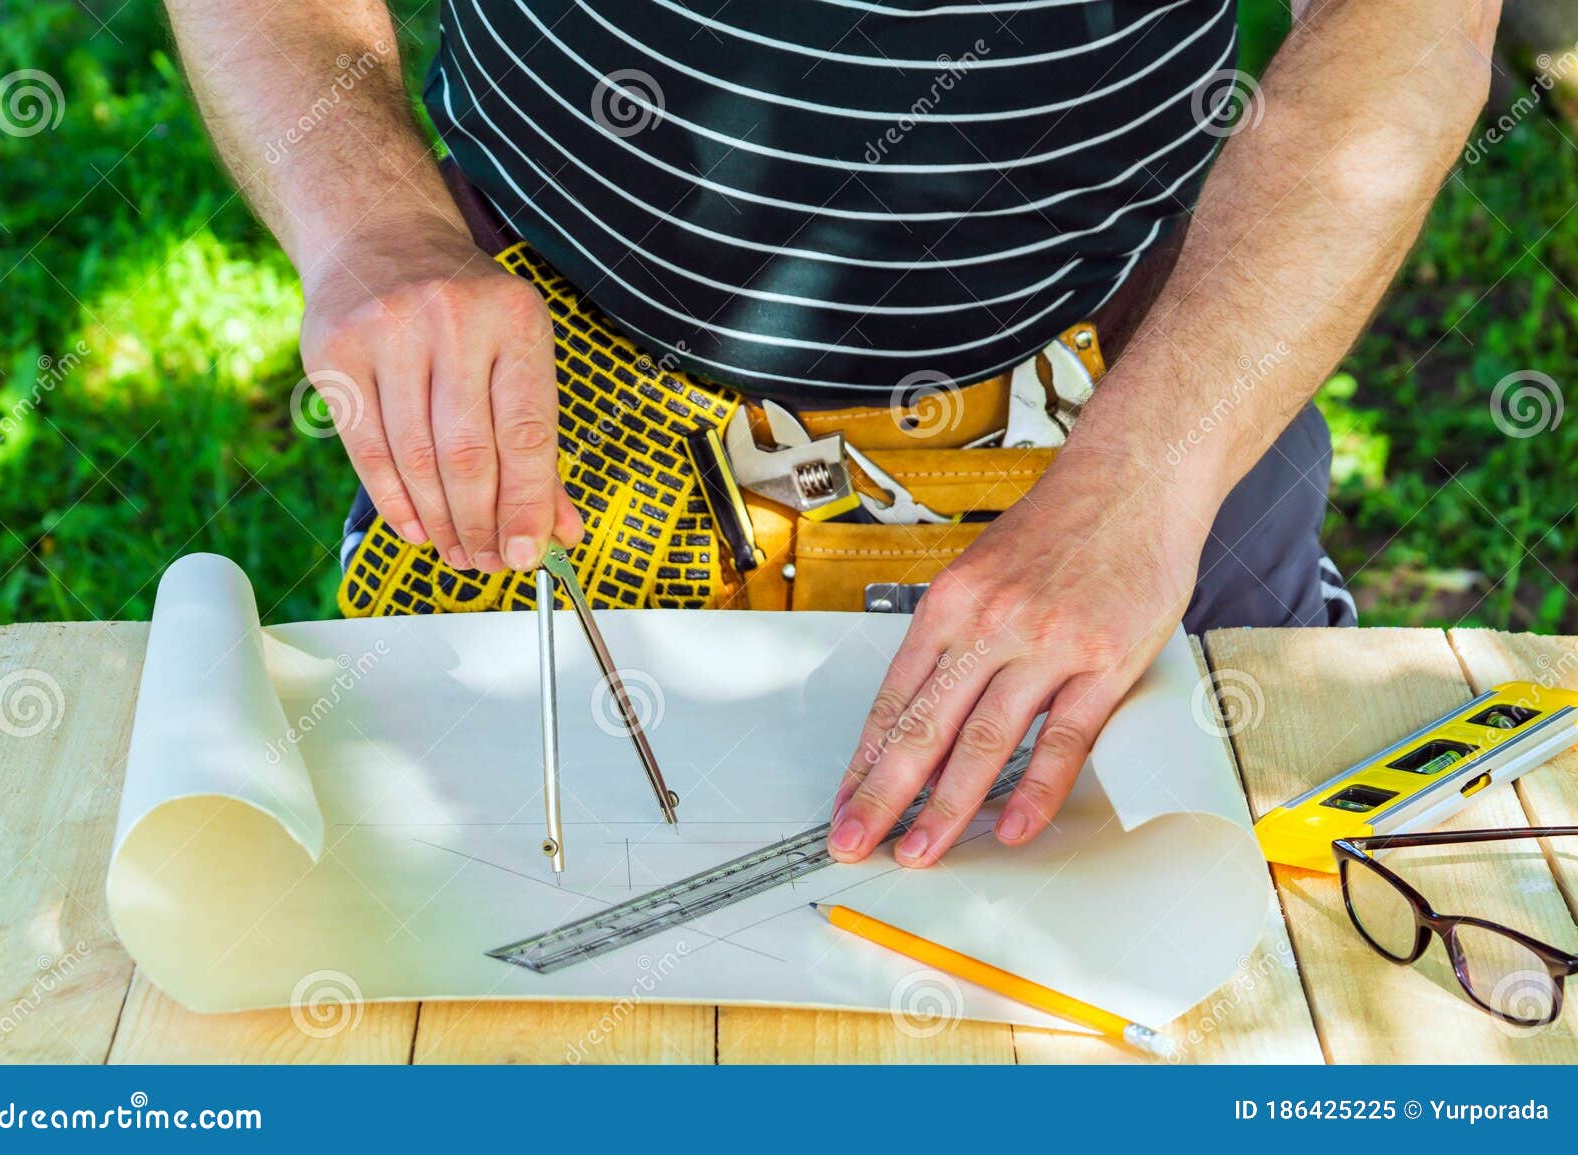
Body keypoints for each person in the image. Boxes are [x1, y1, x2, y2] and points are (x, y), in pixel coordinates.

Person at [163, 0, 1500, 869]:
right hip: (548, 402)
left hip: (1148, 402)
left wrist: (1147, 483)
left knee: (1230, 948)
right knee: (461, 938)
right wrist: (372, 226)